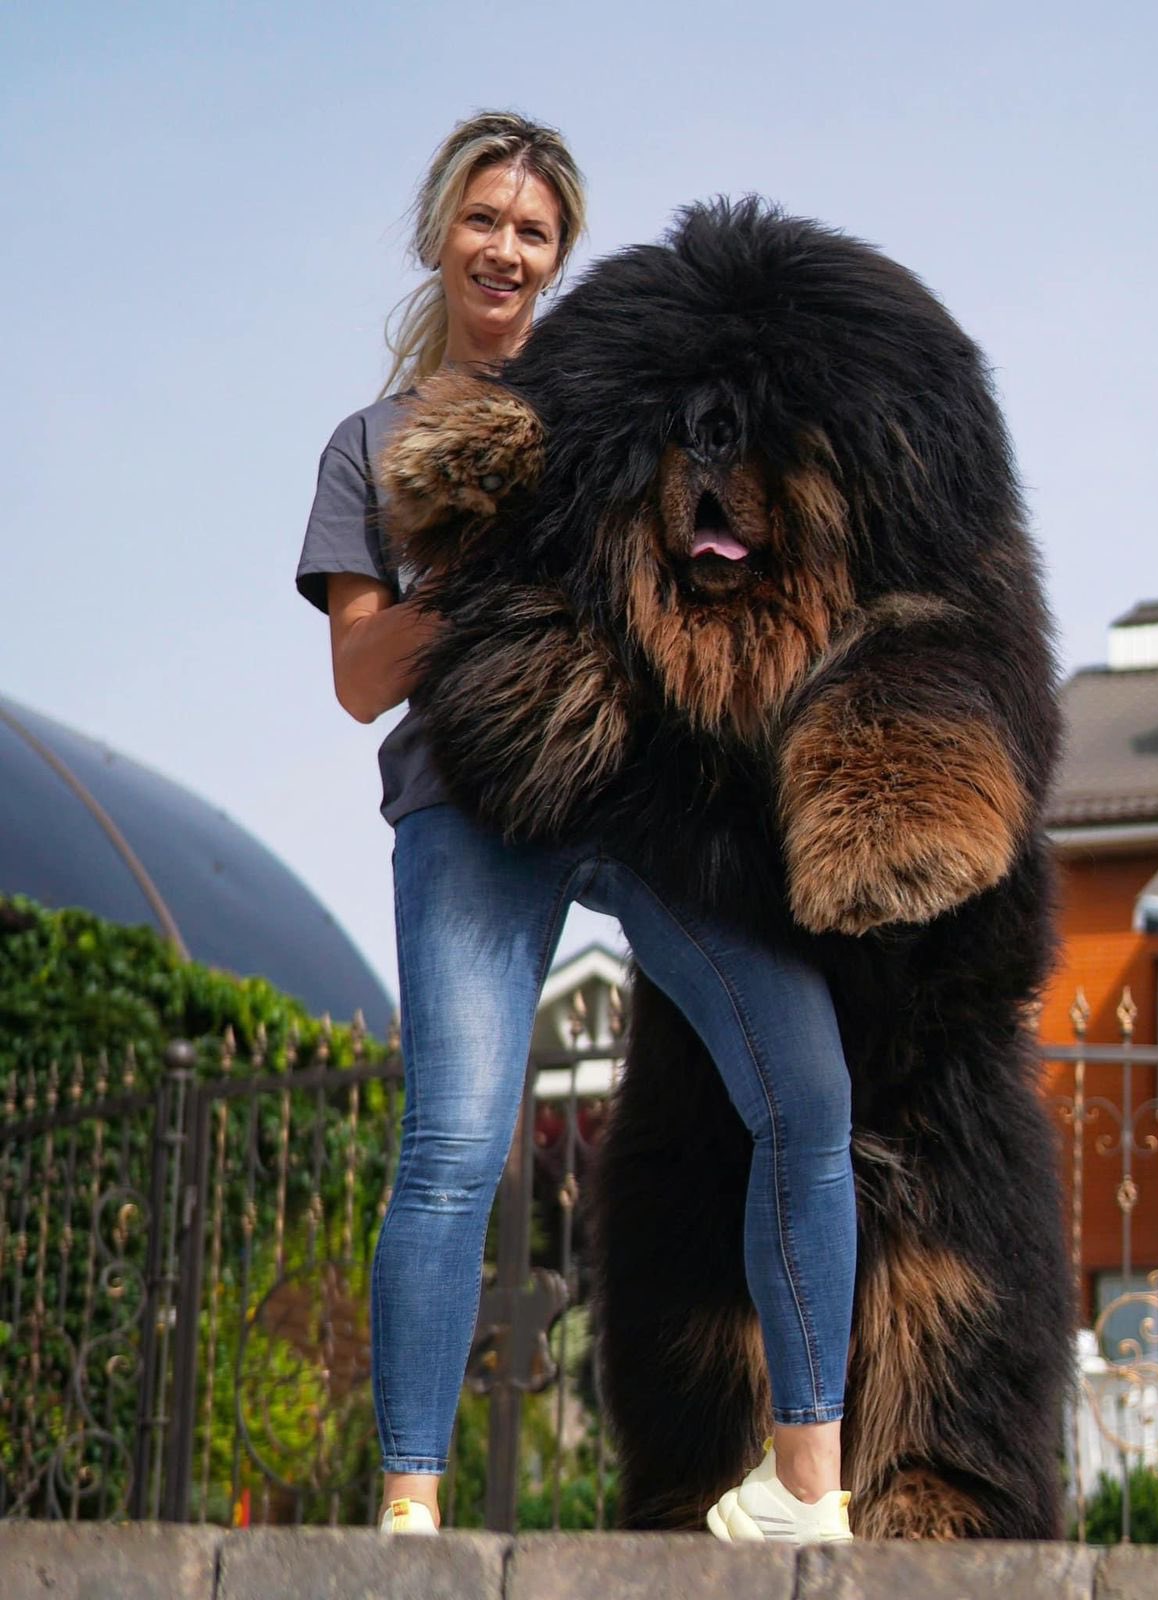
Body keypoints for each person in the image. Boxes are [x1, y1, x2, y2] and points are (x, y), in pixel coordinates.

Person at [295, 110, 858, 1543]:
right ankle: (411, 1505)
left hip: (623, 786)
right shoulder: (369, 447)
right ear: (441, 230)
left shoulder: (608, 403)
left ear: (559, 256)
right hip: (471, 806)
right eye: (485, 219)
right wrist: (470, 569)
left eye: (534, 230)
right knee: (455, 1150)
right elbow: (362, 682)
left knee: (808, 1094)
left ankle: (805, 1490)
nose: (506, 247)